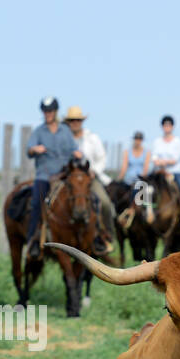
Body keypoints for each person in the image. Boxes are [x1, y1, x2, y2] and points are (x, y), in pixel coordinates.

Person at [57, 105, 115, 253]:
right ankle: (47, 235)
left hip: (89, 178)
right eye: (72, 120)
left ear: (82, 121)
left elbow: (102, 158)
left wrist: (94, 171)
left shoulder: (92, 138)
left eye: (78, 120)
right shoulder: (63, 140)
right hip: (69, 179)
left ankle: (107, 236)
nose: (75, 123)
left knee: (105, 203)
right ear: (68, 122)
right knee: (50, 200)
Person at [24, 97, 76, 260]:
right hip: (45, 176)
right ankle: (33, 240)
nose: (47, 114)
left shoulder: (65, 131)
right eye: (45, 111)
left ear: (55, 112)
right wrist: (34, 149)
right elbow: (29, 150)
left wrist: (77, 153)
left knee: (82, 196)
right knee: (36, 202)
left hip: (64, 176)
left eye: (50, 111)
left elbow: (74, 149)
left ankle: (93, 235)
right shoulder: (39, 131)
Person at [149, 114, 180, 215]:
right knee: (143, 186)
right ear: (162, 127)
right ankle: (141, 212)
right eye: (165, 125)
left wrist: (162, 162)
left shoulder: (177, 141)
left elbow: (175, 159)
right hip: (159, 171)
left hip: (174, 172)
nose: (167, 127)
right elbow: (154, 157)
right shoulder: (157, 141)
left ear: (172, 127)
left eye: (169, 125)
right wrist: (160, 162)